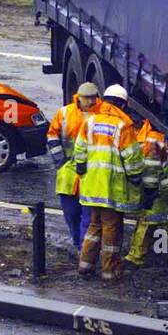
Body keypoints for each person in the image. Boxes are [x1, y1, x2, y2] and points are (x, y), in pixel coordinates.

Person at [74, 85, 144, 282]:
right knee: (111, 229)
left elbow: (80, 148)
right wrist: (136, 177)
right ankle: (109, 270)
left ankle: (85, 265)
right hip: (111, 188)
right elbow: (131, 157)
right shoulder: (123, 125)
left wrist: (80, 165)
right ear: (122, 103)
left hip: (91, 187)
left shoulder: (91, 120)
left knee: (94, 226)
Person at [45, 82, 105, 249]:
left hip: (91, 174)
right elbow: (52, 136)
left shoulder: (103, 114)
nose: (91, 101)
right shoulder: (65, 113)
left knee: (88, 219)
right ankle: (79, 245)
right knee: (71, 215)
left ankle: (83, 250)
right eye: (88, 98)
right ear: (79, 97)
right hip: (69, 174)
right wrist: (60, 161)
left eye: (94, 97)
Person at [126, 120, 168, 272]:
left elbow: (150, 171)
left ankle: (137, 258)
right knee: (164, 223)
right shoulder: (153, 137)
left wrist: (148, 193)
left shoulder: (149, 142)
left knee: (166, 224)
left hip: (164, 190)